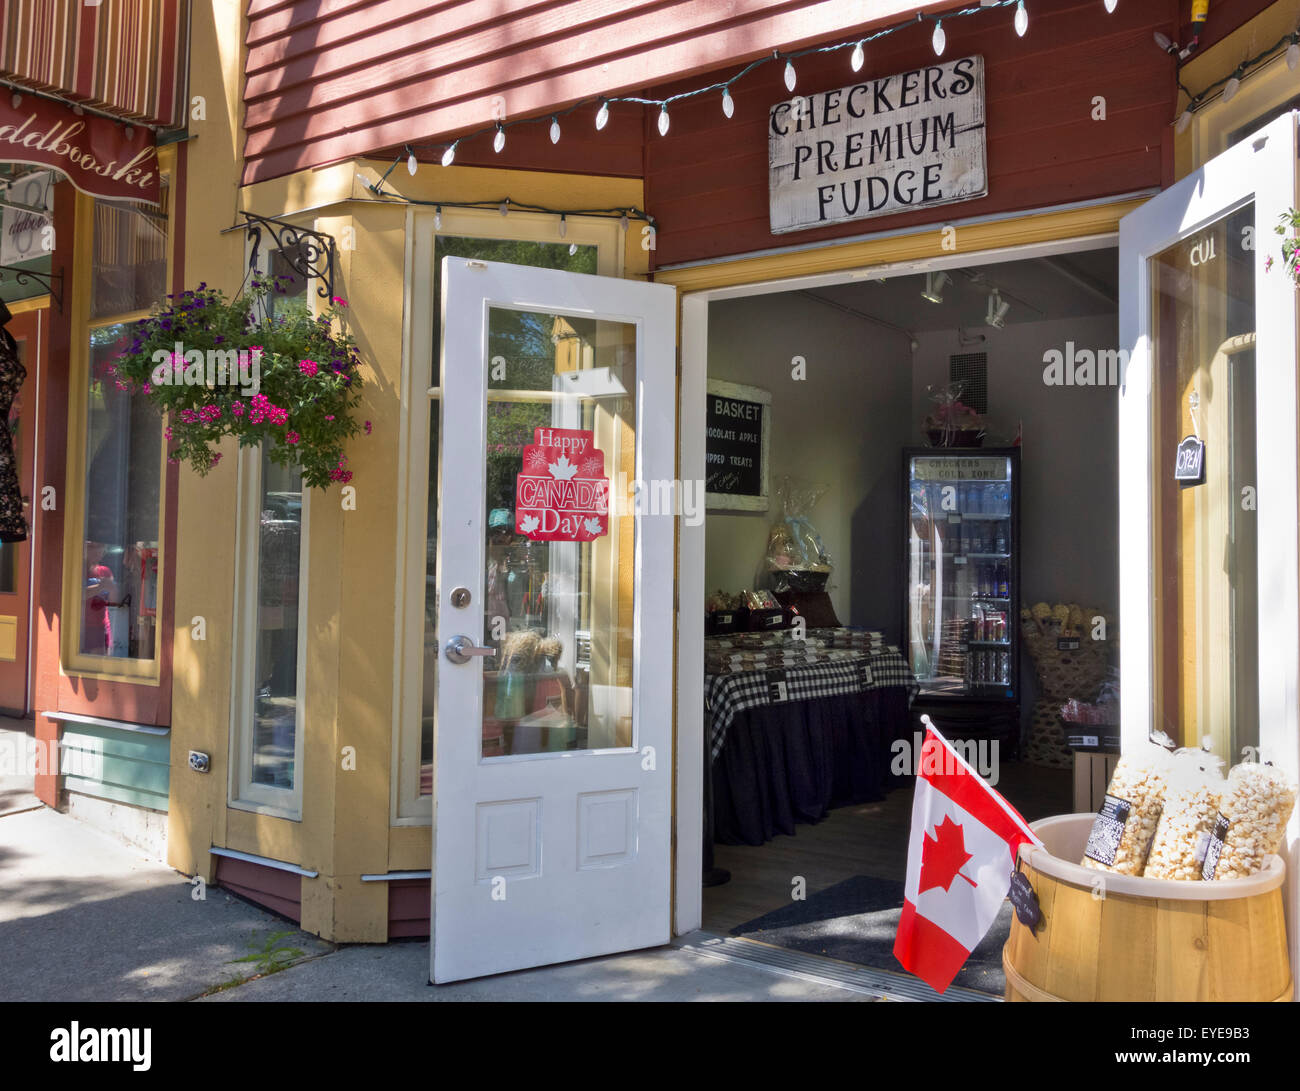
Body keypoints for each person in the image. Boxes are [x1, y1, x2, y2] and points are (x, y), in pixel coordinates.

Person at [83, 541, 117, 654]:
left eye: (101, 547)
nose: (98, 551)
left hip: (101, 626)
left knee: (99, 664)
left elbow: (113, 602)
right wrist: (100, 587)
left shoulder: (105, 571)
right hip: (81, 624)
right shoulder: (78, 571)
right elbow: (77, 596)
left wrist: (113, 590)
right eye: (93, 547)